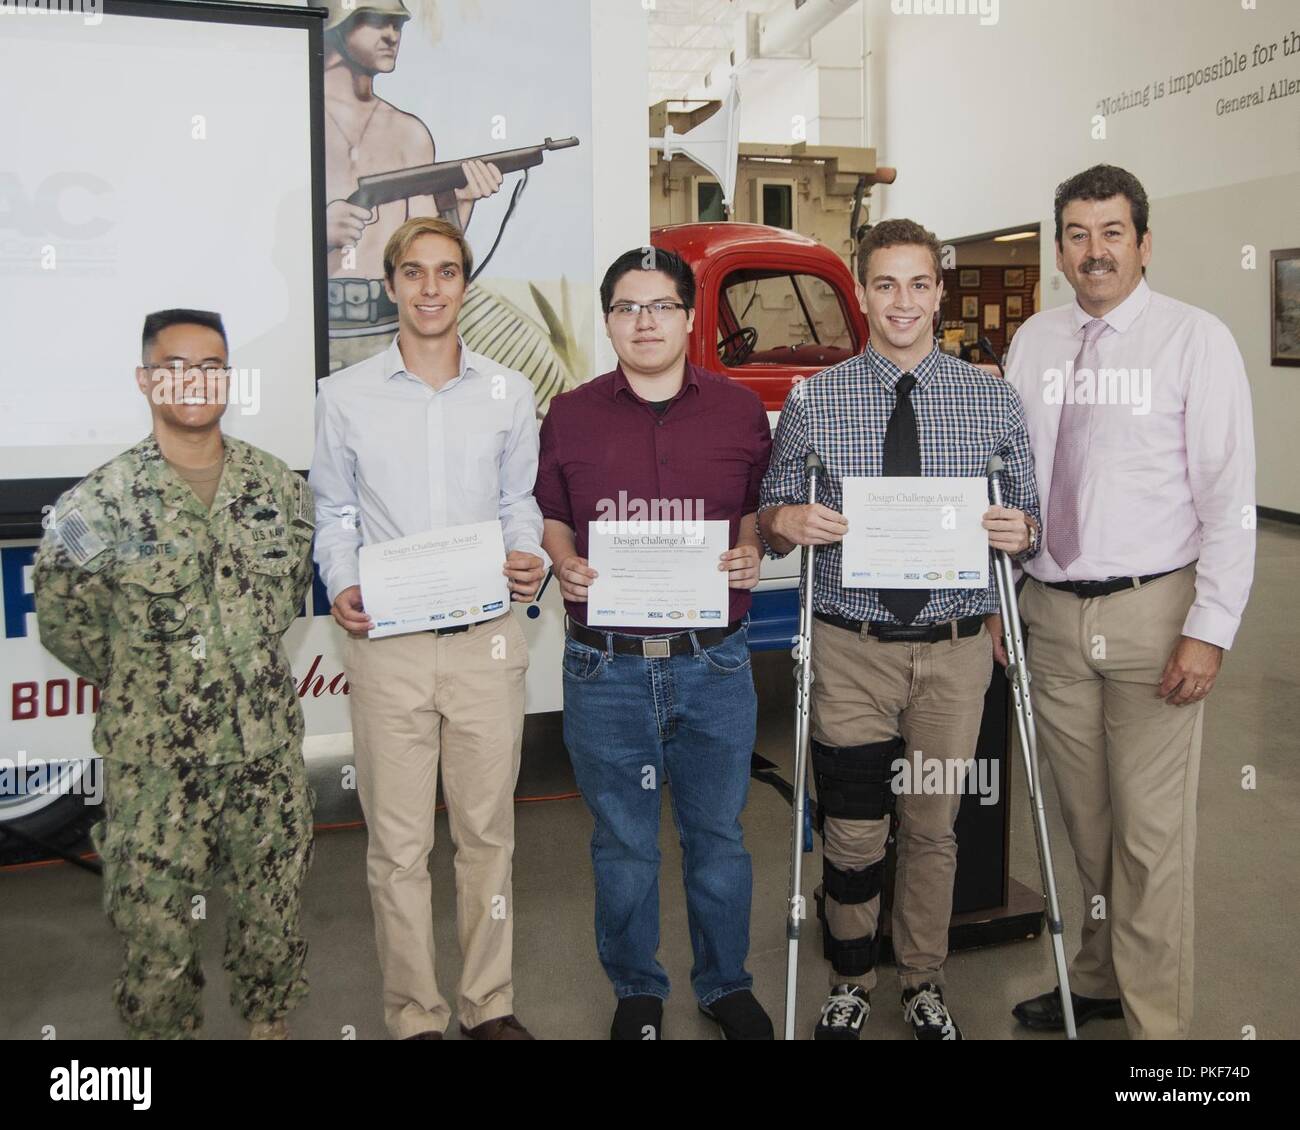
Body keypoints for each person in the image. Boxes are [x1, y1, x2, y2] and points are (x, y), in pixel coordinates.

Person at [758, 219, 1041, 1041]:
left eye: (919, 284)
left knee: (930, 827)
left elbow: (1033, 517)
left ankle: (921, 978)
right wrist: (787, 518)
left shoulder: (991, 396)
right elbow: (772, 515)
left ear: (940, 292)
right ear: (861, 293)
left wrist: (1020, 532)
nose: (903, 301)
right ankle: (851, 976)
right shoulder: (817, 397)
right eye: (885, 284)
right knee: (851, 830)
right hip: (852, 649)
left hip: (953, 654)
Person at [1005, 165, 1255, 1040]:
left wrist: (1210, 630)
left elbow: (1228, 499)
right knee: (1087, 824)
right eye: (1078, 233)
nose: (1095, 250)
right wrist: (1008, 600)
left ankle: (1158, 1034)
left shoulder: (1196, 340)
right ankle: (1100, 977)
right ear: (1060, 250)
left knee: (1150, 839)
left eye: (1113, 232)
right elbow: (1015, 483)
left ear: (1144, 244)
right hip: (1051, 611)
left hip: (1155, 615)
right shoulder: (1033, 344)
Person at [33, 309, 316, 1039]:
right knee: (157, 940)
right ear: (145, 379)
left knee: (271, 923)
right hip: (155, 768)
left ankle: (267, 1028)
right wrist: (149, 684)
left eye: (212, 365)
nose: (195, 380)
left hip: (264, 759)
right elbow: (67, 621)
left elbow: (283, 603)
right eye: (176, 366)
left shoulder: (278, 487)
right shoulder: (95, 503)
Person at [311, 216, 547, 1040]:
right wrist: (341, 582)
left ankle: (490, 1006)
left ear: (466, 284)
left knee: (488, 837)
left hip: (487, 643)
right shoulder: (344, 395)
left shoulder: (508, 392)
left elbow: (521, 502)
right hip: (390, 652)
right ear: (391, 285)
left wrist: (528, 556)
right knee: (399, 850)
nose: (431, 288)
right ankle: (415, 1016)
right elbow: (333, 512)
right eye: (414, 272)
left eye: (447, 272)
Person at [535, 247, 774, 1040]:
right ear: (607, 321)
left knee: (718, 836)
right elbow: (555, 513)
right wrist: (562, 559)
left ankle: (724, 984)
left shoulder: (740, 411)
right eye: (628, 308)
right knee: (625, 844)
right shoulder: (568, 414)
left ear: (690, 316)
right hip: (606, 667)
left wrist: (753, 548)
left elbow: (752, 507)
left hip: (715, 660)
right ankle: (637, 990)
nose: (645, 322)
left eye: (661, 306)